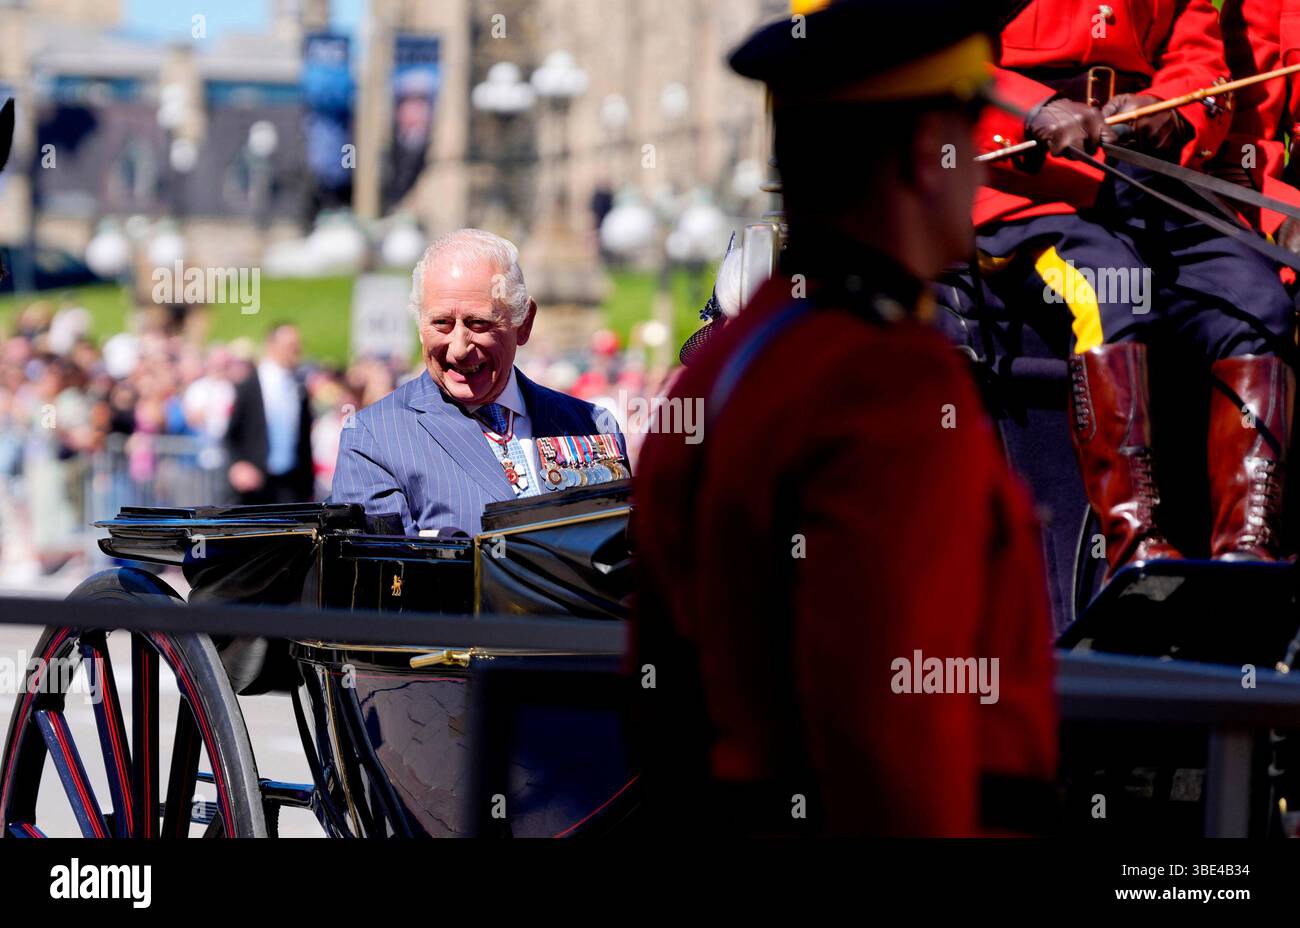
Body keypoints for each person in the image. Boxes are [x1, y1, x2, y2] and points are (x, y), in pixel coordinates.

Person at [632, 0, 1058, 836]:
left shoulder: (724, 362)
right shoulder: (887, 382)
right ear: (925, 160)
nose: (980, 172)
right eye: (969, 141)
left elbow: (660, 690)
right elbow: (892, 730)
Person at [956, 0, 1295, 577]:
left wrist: (1172, 111)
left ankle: (1246, 552)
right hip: (1016, 176)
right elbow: (930, 53)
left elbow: (1196, 42)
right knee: (1113, 289)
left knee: (1258, 301)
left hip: (1137, 171)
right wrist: (1029, 108)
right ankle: (1133, 545)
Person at [328, 228, 628, 536]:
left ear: (523, 324)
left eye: (479, 323)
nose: (459, 348)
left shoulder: (591, 424)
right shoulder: (375, 437)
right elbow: (379, 573)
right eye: (441, 323)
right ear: (420, 326)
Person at [225, 323, 315, 505]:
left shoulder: (298, 388)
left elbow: (304, 438)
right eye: (290, 345)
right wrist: (238, 464)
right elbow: (231, 434)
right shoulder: (249, 387)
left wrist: (308, 484)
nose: (296, 351)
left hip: (290, 485)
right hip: (255, 484)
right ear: (272, 345)